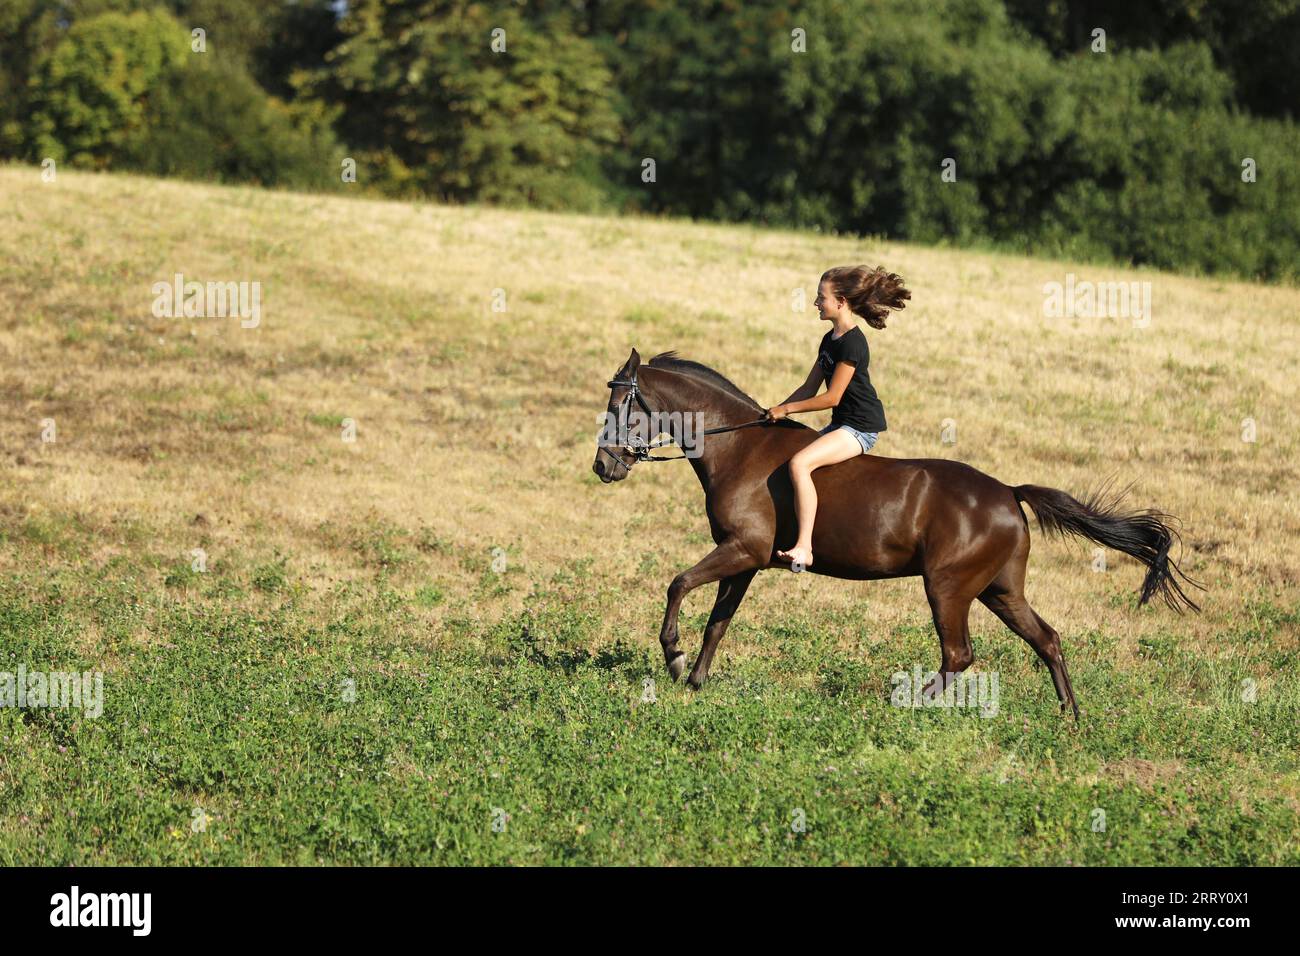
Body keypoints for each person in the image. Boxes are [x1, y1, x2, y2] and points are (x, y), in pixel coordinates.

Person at [768, 265, 911, 569]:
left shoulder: (853, 344)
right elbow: (808, 386)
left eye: (821, 297)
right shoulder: (830, 339)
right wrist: (774, 410)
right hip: (841, 424)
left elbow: (831, 396)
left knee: (800, 463)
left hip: (860, 429)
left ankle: (805, 548)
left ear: (841, 301)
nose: (816, 303)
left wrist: (789, 410)